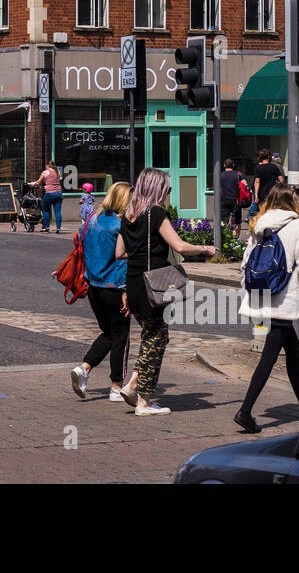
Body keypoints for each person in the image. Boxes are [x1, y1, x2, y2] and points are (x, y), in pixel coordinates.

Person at [115, 168, 216, 415]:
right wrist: (205, 248)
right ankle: (143, 401)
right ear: (157, 189)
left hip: (134, 281)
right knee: (158, 336)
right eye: (167, 189)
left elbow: (119, 253)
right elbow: (179, 245)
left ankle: (134, 386)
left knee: (153, 335)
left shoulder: (128, 214)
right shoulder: (156, 213)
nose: (168, 193)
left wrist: (141, 253)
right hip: (154, 284)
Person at [234, 183, 299, 433]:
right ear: (294, 202)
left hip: (264, 295)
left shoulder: (259, 225)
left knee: (292, 353)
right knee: (269, 357)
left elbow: (245, 265)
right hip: (285, 300)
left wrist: (251, 292)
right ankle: (245, 411)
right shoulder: (298, 226)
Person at [69, 181, 133, 402]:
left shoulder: (91, 222)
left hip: (93, 287)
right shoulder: (121, 226)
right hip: (115, 287)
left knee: (109, 333)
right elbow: (122, 261)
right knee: (121, 337)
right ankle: (116, 387)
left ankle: (84, 368)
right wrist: (127, 291)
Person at [32, 160, 64, 233]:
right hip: (59, 193)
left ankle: (47, 227)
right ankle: (58, 229)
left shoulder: (45, 172)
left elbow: (38, 182)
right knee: (58, 211)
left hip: (50, 193)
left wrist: (31, 184)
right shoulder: (57, 171)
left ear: (47, 166)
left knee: (45, 209)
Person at [252, 149, 282, 214]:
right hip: (272, 193)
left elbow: (257, 181)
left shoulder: (258, 168)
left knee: (262, 212)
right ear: (268, 157)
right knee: (272, 211)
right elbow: (280, 179)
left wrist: (256, 195)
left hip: (261, 194)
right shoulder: (274, 167)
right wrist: (280, 189)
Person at [220, 158, 245, 232]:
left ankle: (224, 236)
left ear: (224, 165)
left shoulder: (220, 175)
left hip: (224, 199)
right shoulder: (238, 174)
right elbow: (245, 185)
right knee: (237, 221)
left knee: (224, 220)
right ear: (233, 165)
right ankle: (236, 239)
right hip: (236, 200)